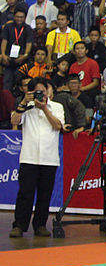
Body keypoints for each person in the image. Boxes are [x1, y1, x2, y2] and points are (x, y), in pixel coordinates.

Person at [9, 78, 64, 238]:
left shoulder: (57, 107)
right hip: (29, 157)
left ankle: (40, 225)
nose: (41, 94)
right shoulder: (26, 107)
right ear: (30, 93)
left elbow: (58, 126)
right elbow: (14, 121)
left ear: (48, 91)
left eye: (43, 91)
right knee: (25, 194)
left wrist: (45, 108)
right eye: (37, 92)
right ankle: (19, 225)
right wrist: (24, 103)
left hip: (49, 158)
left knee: (45, 194)